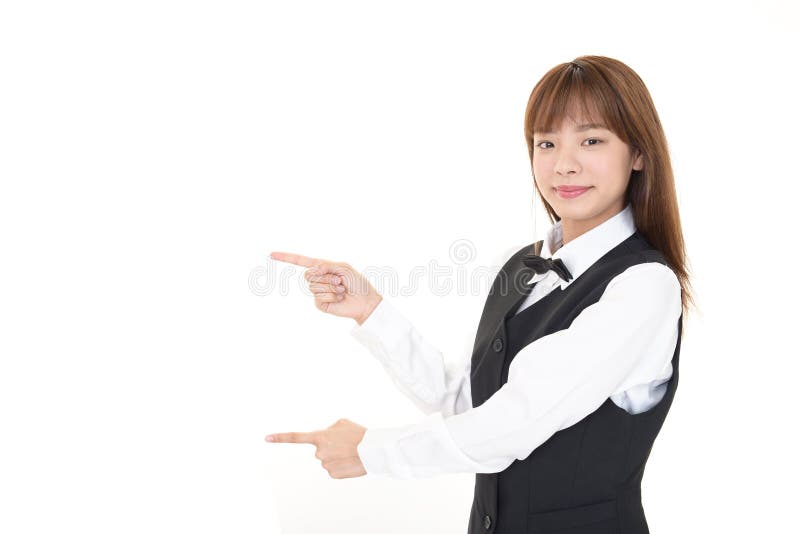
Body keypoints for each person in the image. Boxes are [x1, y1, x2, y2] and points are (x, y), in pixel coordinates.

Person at [265, 55, 695, 534]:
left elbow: (516, 421)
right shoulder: (522, 265)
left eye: (591, 140)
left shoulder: (643, 285)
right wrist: (371, 312)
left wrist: (369, 451)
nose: (564, 165)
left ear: (638, 153)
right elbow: (472, 405)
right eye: (546, 143)